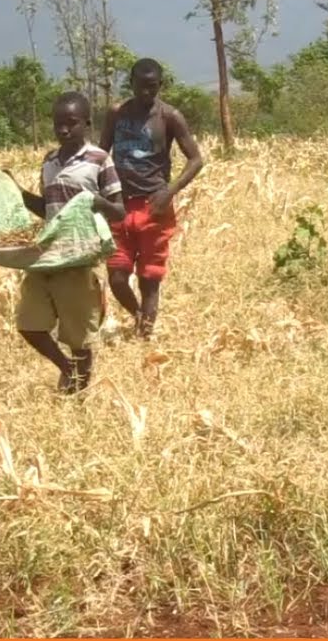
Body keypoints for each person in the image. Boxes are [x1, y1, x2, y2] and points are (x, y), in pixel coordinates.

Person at [16, 91, 126, 394]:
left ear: (87, 123)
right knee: (28, 324)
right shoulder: (49, 161)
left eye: (71, 123)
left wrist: (96, 202)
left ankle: (77, 395)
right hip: (47, 254)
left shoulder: (99, 160)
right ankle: (67, 369)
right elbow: (47, 209)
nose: (63, 130)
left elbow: (119, 211)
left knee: (79, 338)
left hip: (78, 257)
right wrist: (18, 193)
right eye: (58, 123)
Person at [99, 58, 205, 340]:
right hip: (118, 205)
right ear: (130, 83)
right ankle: (138, 316)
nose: (146, 92)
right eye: (141, 86)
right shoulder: (116, 114)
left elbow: (196, 159)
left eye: (152, 86)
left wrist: (170, 191)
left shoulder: (169, 116)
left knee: (149, 279)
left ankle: (144, 335)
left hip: (154, 207)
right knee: (117, 277)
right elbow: (101, 155)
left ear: (160, 85)